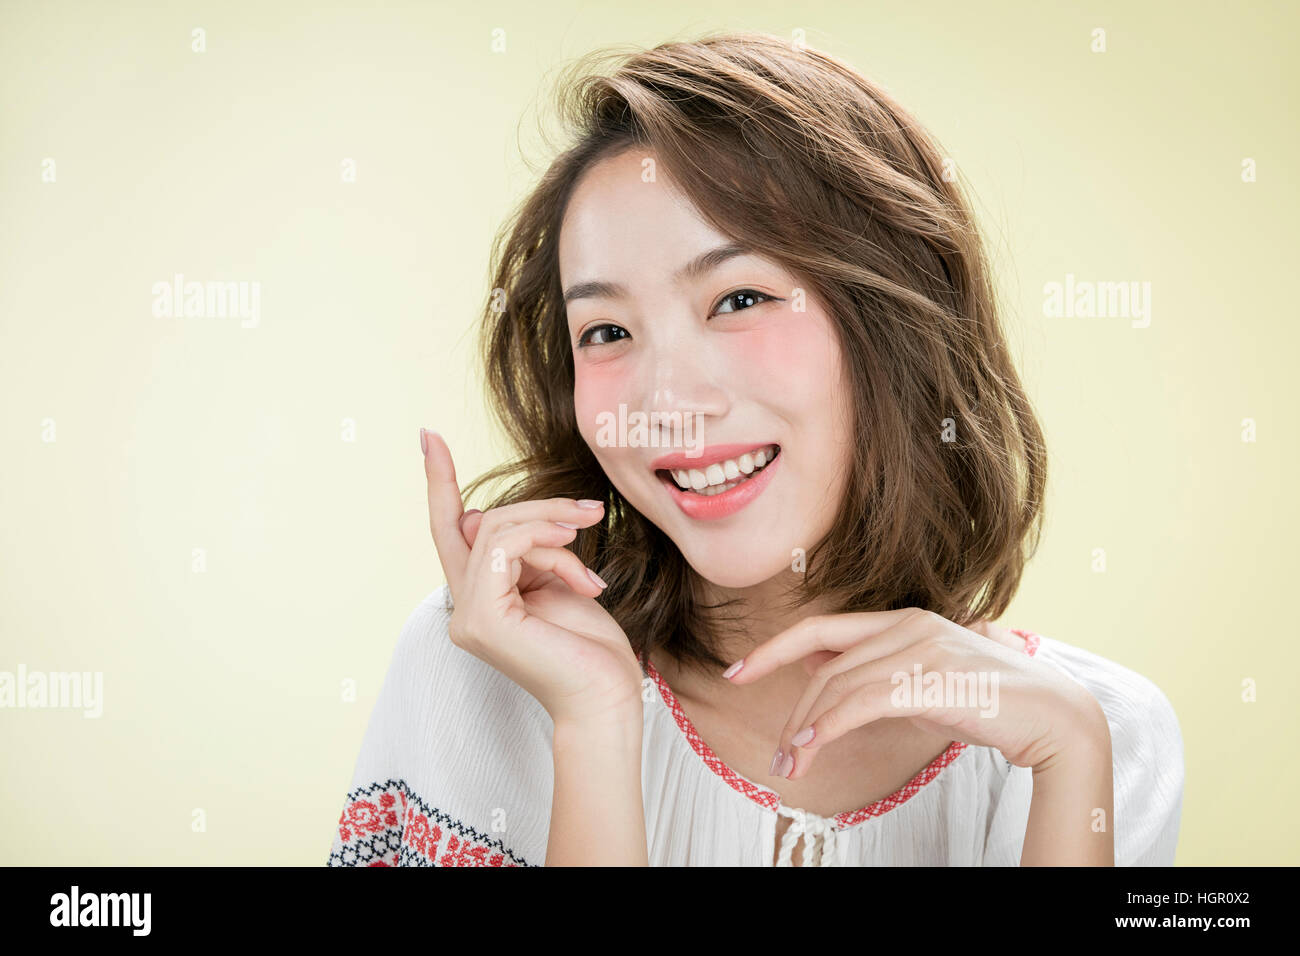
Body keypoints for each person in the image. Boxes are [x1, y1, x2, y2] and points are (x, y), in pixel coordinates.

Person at [327, 31, 1184, 867]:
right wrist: (594, 725)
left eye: (738, 299)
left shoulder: (1092, 733)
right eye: (609, 329)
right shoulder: (487, 671)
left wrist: (1074, 765)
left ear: (889, 325)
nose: (668, 403)